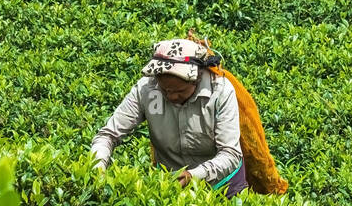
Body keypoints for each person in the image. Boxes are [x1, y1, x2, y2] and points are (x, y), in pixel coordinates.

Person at [91, 38, 247, 197]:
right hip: (170, 184)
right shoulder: (147, 89)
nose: (171, 96)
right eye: (165, 90)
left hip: (221, 184)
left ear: (196, 79)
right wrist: (98, 167)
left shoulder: (220, 92)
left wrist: (194, 175)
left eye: (179, 91)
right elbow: (108, 135)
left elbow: (230, 154)